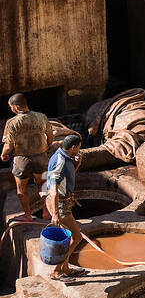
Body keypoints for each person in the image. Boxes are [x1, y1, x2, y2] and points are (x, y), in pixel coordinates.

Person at [1, 93, 55, 220]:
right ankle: (46, 212)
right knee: (42, 186)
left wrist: (3, 154)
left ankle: (27, 215)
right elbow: (50, 136)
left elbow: (8, 145)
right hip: (41, 157)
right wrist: (47, 146)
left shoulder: (12, 123)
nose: (11, 109)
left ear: (16, 107)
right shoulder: (41, 117)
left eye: (11, 107)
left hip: (22, 160)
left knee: (21, 190)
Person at [44, 135, 85, 279]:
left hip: (64, 202)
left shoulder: (63, 155)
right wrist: (55, 214)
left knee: (68, 239)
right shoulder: (59, 161)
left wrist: (77, 164)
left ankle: (65, 268)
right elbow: (54, 190)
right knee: (76, 237)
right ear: (73, 147)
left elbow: (66, 177)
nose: (80, 149)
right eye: (79, 147)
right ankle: (55, 270)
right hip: (60, 204)